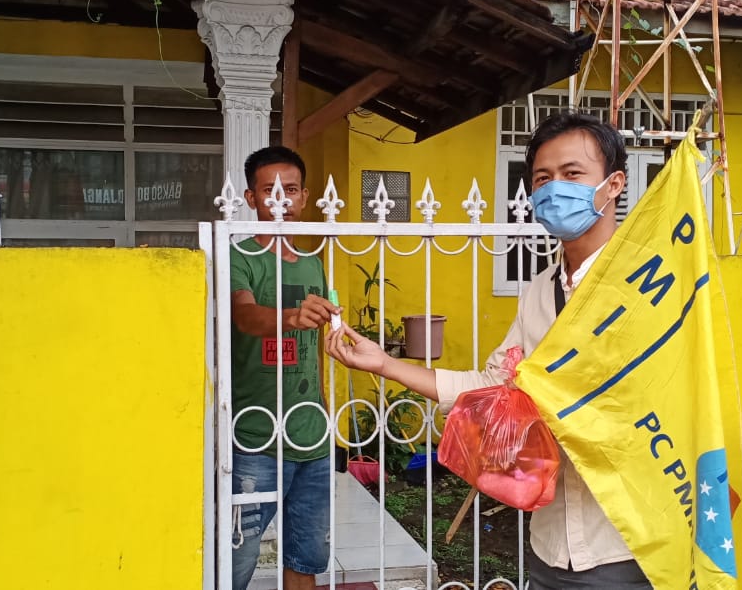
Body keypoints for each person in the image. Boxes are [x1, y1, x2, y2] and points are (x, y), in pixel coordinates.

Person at [325, 112, 652, 588]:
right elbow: (494, 385)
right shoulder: (540, 291)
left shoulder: (651, 285)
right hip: (548, 543)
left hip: (629, 545)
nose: (555, 188)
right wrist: (386, 364)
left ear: (614, 183)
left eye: (572, 174)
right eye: (543, 178)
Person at [229, 145, 340, 590]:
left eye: (290, 189)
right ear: (250, 198)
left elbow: (318, 343)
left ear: (306, 196)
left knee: (306, 556)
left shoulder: (313, 263)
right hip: (257, 436)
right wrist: (290, 316)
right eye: (270, 190)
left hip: (312, 436)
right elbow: (245, 315)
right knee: (238, 556)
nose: (282, 200)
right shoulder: (239, 258)